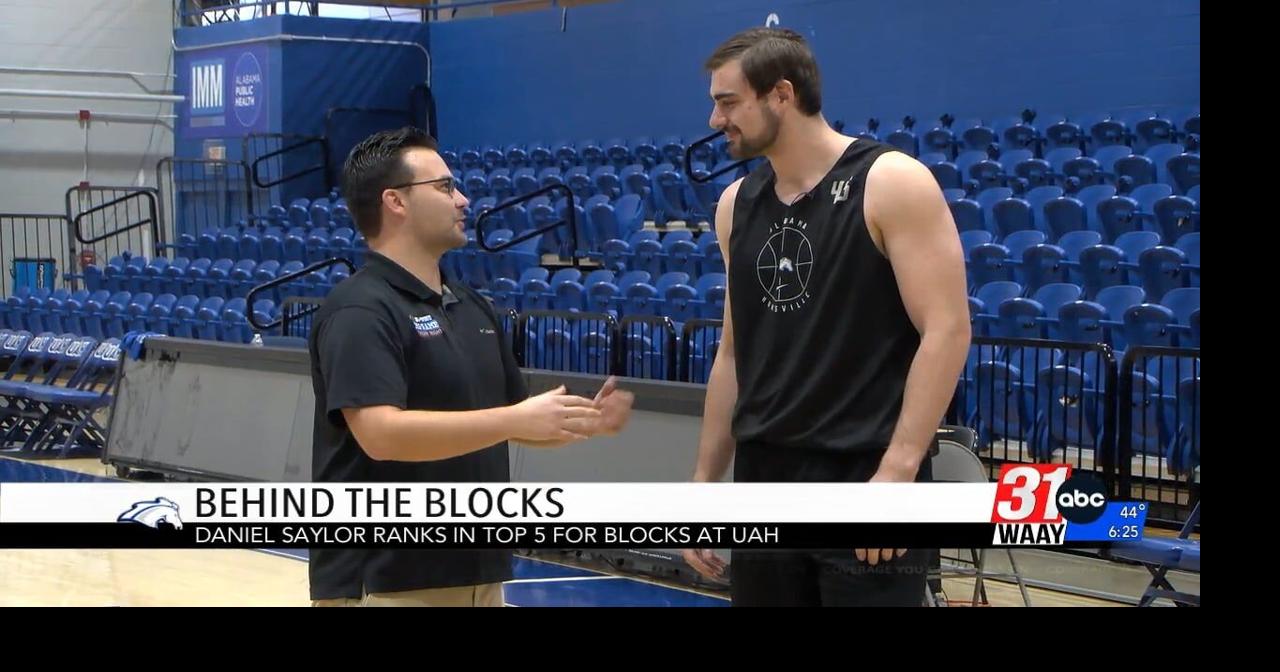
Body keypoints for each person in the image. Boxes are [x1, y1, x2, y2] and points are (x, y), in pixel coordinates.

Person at [681, 28, 972, 606]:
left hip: (866, 478)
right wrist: (703, 484)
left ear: (781, 95)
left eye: (728, 101)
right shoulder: (734, 204)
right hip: (764, 480)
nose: (716, 120)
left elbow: (947, 329)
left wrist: (897, 472)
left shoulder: (891, 181)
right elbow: (734, 353)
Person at [308, 126, 634, 607]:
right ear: (395, 201)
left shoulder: (470, 306)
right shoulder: (360, 309)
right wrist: (514, 419)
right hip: (387, 580)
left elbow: (503, 418)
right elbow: (381, 435)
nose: (462, 199)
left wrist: (575, 421)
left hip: (480, 573)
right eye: (444, 187)